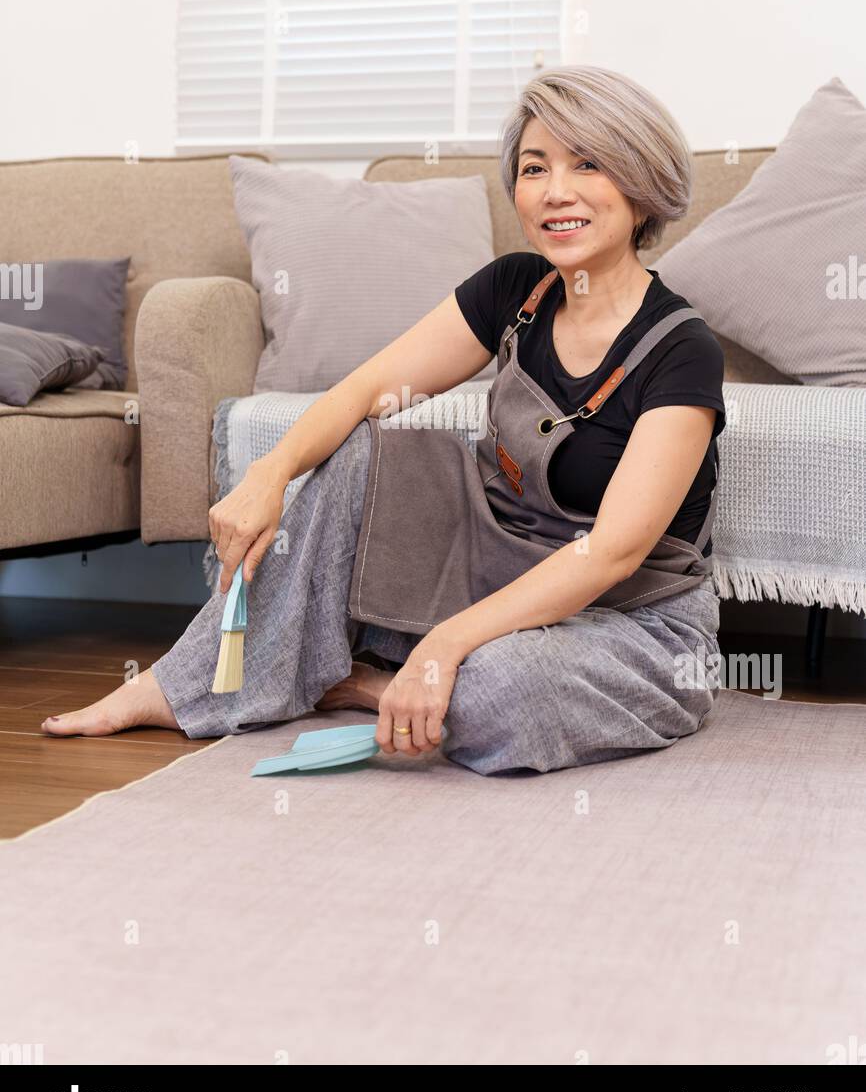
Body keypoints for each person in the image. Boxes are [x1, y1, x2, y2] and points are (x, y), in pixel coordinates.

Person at [42, 65, 725, 776]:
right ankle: (183, 685)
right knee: (358, 452)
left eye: (587, 163)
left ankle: (374, 682)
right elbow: (369, 389)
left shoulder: (681, 351)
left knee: (499, 690)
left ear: (641, 183)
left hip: (631, 622)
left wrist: (445, 644)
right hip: (500, 573)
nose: (555, 191)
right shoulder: (515, 289)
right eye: (534, 167)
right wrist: (269, 474)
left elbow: (610, 554)